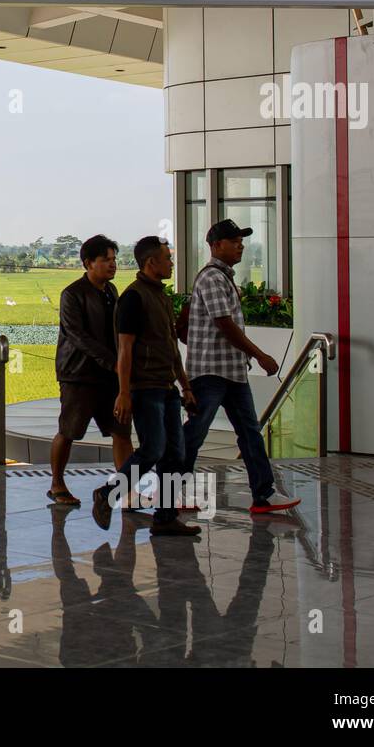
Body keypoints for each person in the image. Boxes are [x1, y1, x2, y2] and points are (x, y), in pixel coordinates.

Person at [181, 219, 301, 514]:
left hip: (232, 371)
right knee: (196, 432)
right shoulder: (212, 278)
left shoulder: (223, 277)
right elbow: (224, 324)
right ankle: (171, 489)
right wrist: (261, 355)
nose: (241, 246)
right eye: (234, 241)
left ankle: (263, 494)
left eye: (241, 241)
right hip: (210, 371)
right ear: (215, 245)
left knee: (250, 433)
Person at [92, 236, 199, 536]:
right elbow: (124, 350)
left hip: (167, 387)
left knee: (175, 454)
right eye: (168, 258)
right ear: (152, 263)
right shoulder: (134, 298)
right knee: (152, 449)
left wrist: (185, 387)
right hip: (145, 387)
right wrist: (124, 392)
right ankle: (107, 494)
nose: (171, 263)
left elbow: (171, 347)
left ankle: (165, 518)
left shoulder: (161, 297)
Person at [47, 234, 133, 506]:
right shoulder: (72, 294)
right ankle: (57, 483)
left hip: (109, 374)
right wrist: (113, 362)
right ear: (88, 263)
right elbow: (77, 336)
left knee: (121, 430)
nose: (112, 265)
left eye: (114, 260)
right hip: (79, 375)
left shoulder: (112, 292)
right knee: (69, 429)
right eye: (105, 260)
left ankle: (126, 488)